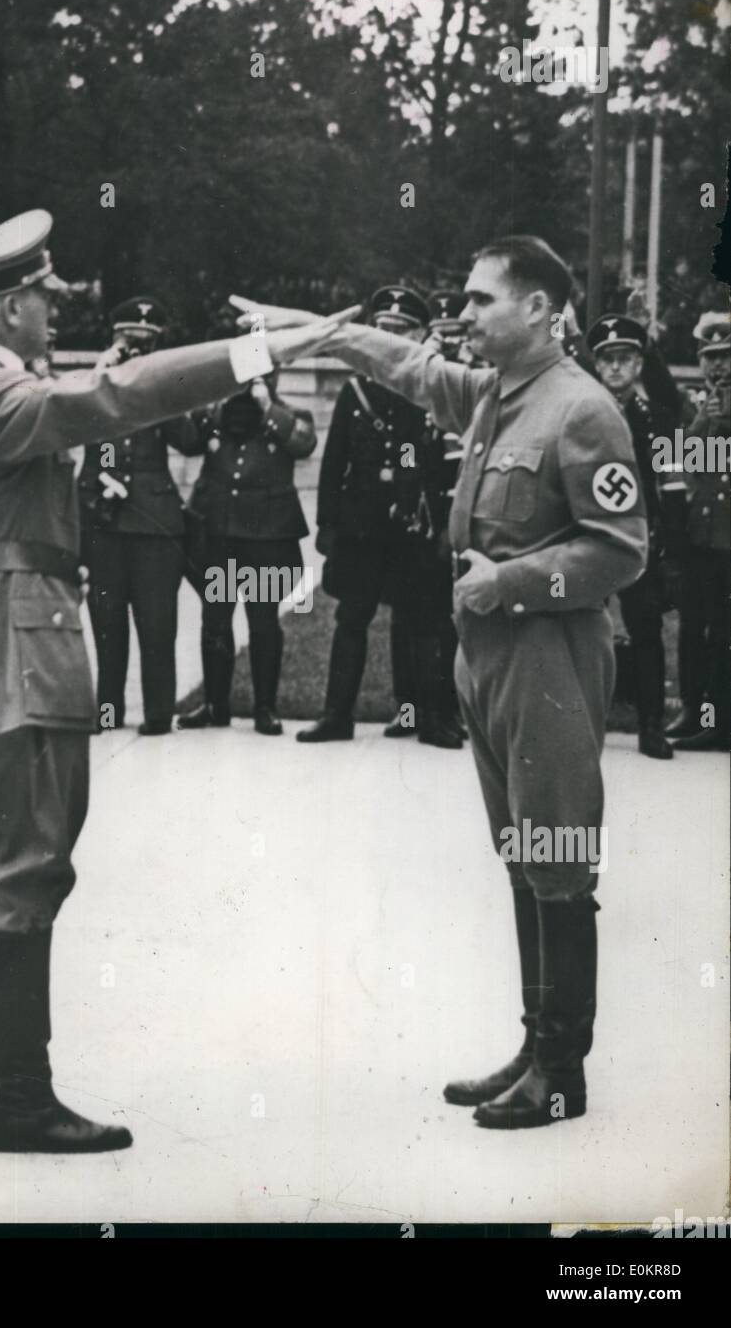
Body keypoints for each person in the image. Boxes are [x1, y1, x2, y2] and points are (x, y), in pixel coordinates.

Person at [0, 209, 346, 1154]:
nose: (55, 314)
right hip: (17, 652)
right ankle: (22, 1099)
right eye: (46, 300)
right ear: (13, 306)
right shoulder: (1, 399)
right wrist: (257, 349)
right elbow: (124, 394)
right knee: (29, 869)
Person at [233, 234, 648, 1130]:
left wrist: (508, 580)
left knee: (558, 863)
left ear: (538, 309)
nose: (462, 314)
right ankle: (537, 1045)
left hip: (548, 657)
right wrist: (317, 334)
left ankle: (561, 1073)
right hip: (488, 657)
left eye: (479, 300)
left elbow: (620, 551)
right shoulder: (496, 395)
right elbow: (408, 366)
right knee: (522, 857)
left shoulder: (580, 410)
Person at [296, 286, 461, 748]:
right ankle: (336, 716)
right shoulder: (356, 390)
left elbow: (444, 464)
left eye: (401, 331)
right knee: (351, 619)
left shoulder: (433, 389)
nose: (389, 339)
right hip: (361, 527)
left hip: (413, 526)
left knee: (424, 622)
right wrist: (328, 524)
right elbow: (334, 462)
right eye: (383, 330)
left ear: (421, 336)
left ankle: (434, 717)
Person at [78, 297, 201, 735]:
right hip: (105, 523)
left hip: (153, 524)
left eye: (146, 345)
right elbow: (70, 420)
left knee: (157, 625)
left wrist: (164, 385)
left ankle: (157, 715)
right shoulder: (96, 387)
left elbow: (190, 440)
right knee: (107, 627)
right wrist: (101, 375)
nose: (137, 353)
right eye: (131, 343)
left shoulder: (161, 390)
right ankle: (107, 711)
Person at [177, 374, 316, 736]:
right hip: (219, 535)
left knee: (263, 621)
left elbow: (304, 444)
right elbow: (186, 439)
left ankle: (265, 708)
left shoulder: (287, 415)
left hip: (266, 538)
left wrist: (267, 406)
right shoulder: (215, 414)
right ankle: (214, 704)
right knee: (216, 620)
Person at [585, 313, 683, 759]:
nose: (616, 369)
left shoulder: (659, 419)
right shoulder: (580, 416)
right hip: (587, 539)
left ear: (640, 364)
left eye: (625, 358)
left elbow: (674, 484)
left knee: (646, 629)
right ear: (597, 366)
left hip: (640, 540)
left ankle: (651, 727)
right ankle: (584, 724)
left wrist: (672, 544)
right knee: (585, 630)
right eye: (607, 360)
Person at [666, 311, 730, 751]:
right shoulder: (695, 404)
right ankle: (692, 709)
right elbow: (683, 463)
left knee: (723, 633)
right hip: (699, 538)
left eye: (725, 356)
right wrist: (705, 422)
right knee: (693, 627)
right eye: (710, 356)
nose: (717, 366)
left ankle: (718, 717)